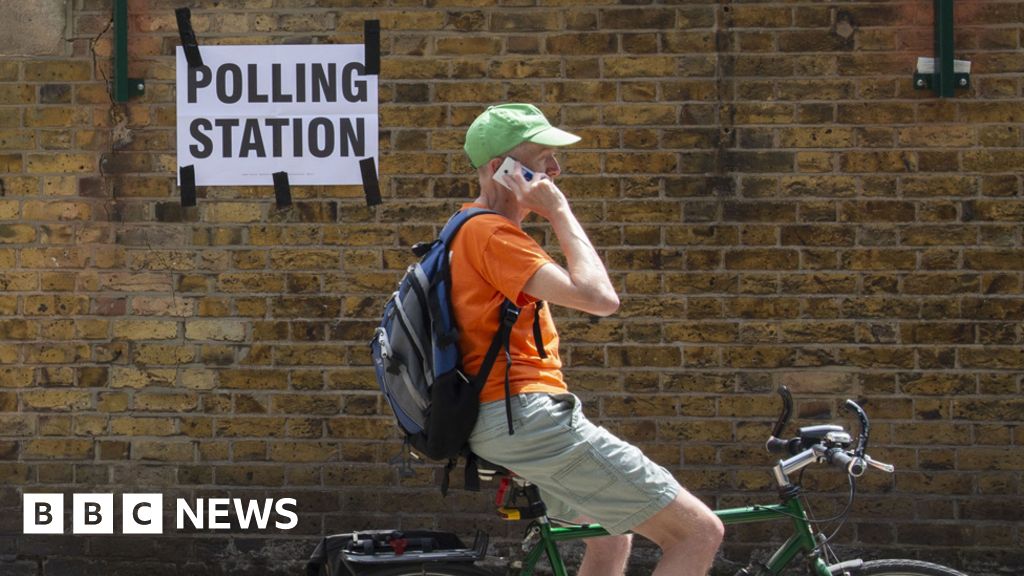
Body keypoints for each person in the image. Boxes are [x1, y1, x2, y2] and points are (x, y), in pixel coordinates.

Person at [450, 103, 724, 576]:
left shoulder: (467, 227)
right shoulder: (491, 234)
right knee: (698, 532)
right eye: (542, 158)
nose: (555, 169)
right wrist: (559, 211)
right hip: (524, 417)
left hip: (500, 417)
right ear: (500, 169)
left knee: (610, 533)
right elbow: (599, 298)